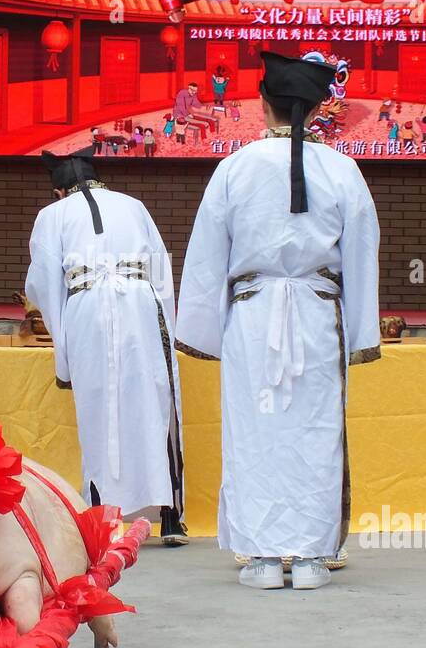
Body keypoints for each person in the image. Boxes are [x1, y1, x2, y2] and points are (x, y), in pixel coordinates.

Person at [177, 51, 381, 591]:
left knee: (254, 429)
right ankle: (311, 560)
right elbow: (362, 254)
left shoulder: (234, 168)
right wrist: (362, 329)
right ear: (316, 110)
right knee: (315, 431)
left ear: (264, 104)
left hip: (251, 314)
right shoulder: (343, 169)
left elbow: (205, 257)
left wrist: (201, 325)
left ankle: (264, 558)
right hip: (317, 314)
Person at [25, 146, 187, 545]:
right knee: (154, 399)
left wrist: (62, 353)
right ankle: (170, 515)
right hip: (141, 303)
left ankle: (100, 510)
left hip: (87, 305)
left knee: (96, 405)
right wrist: (167, 322)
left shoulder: (52, 215)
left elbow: (44, 285)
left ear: (59, 191)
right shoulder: (133, 205)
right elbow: (160, 268)